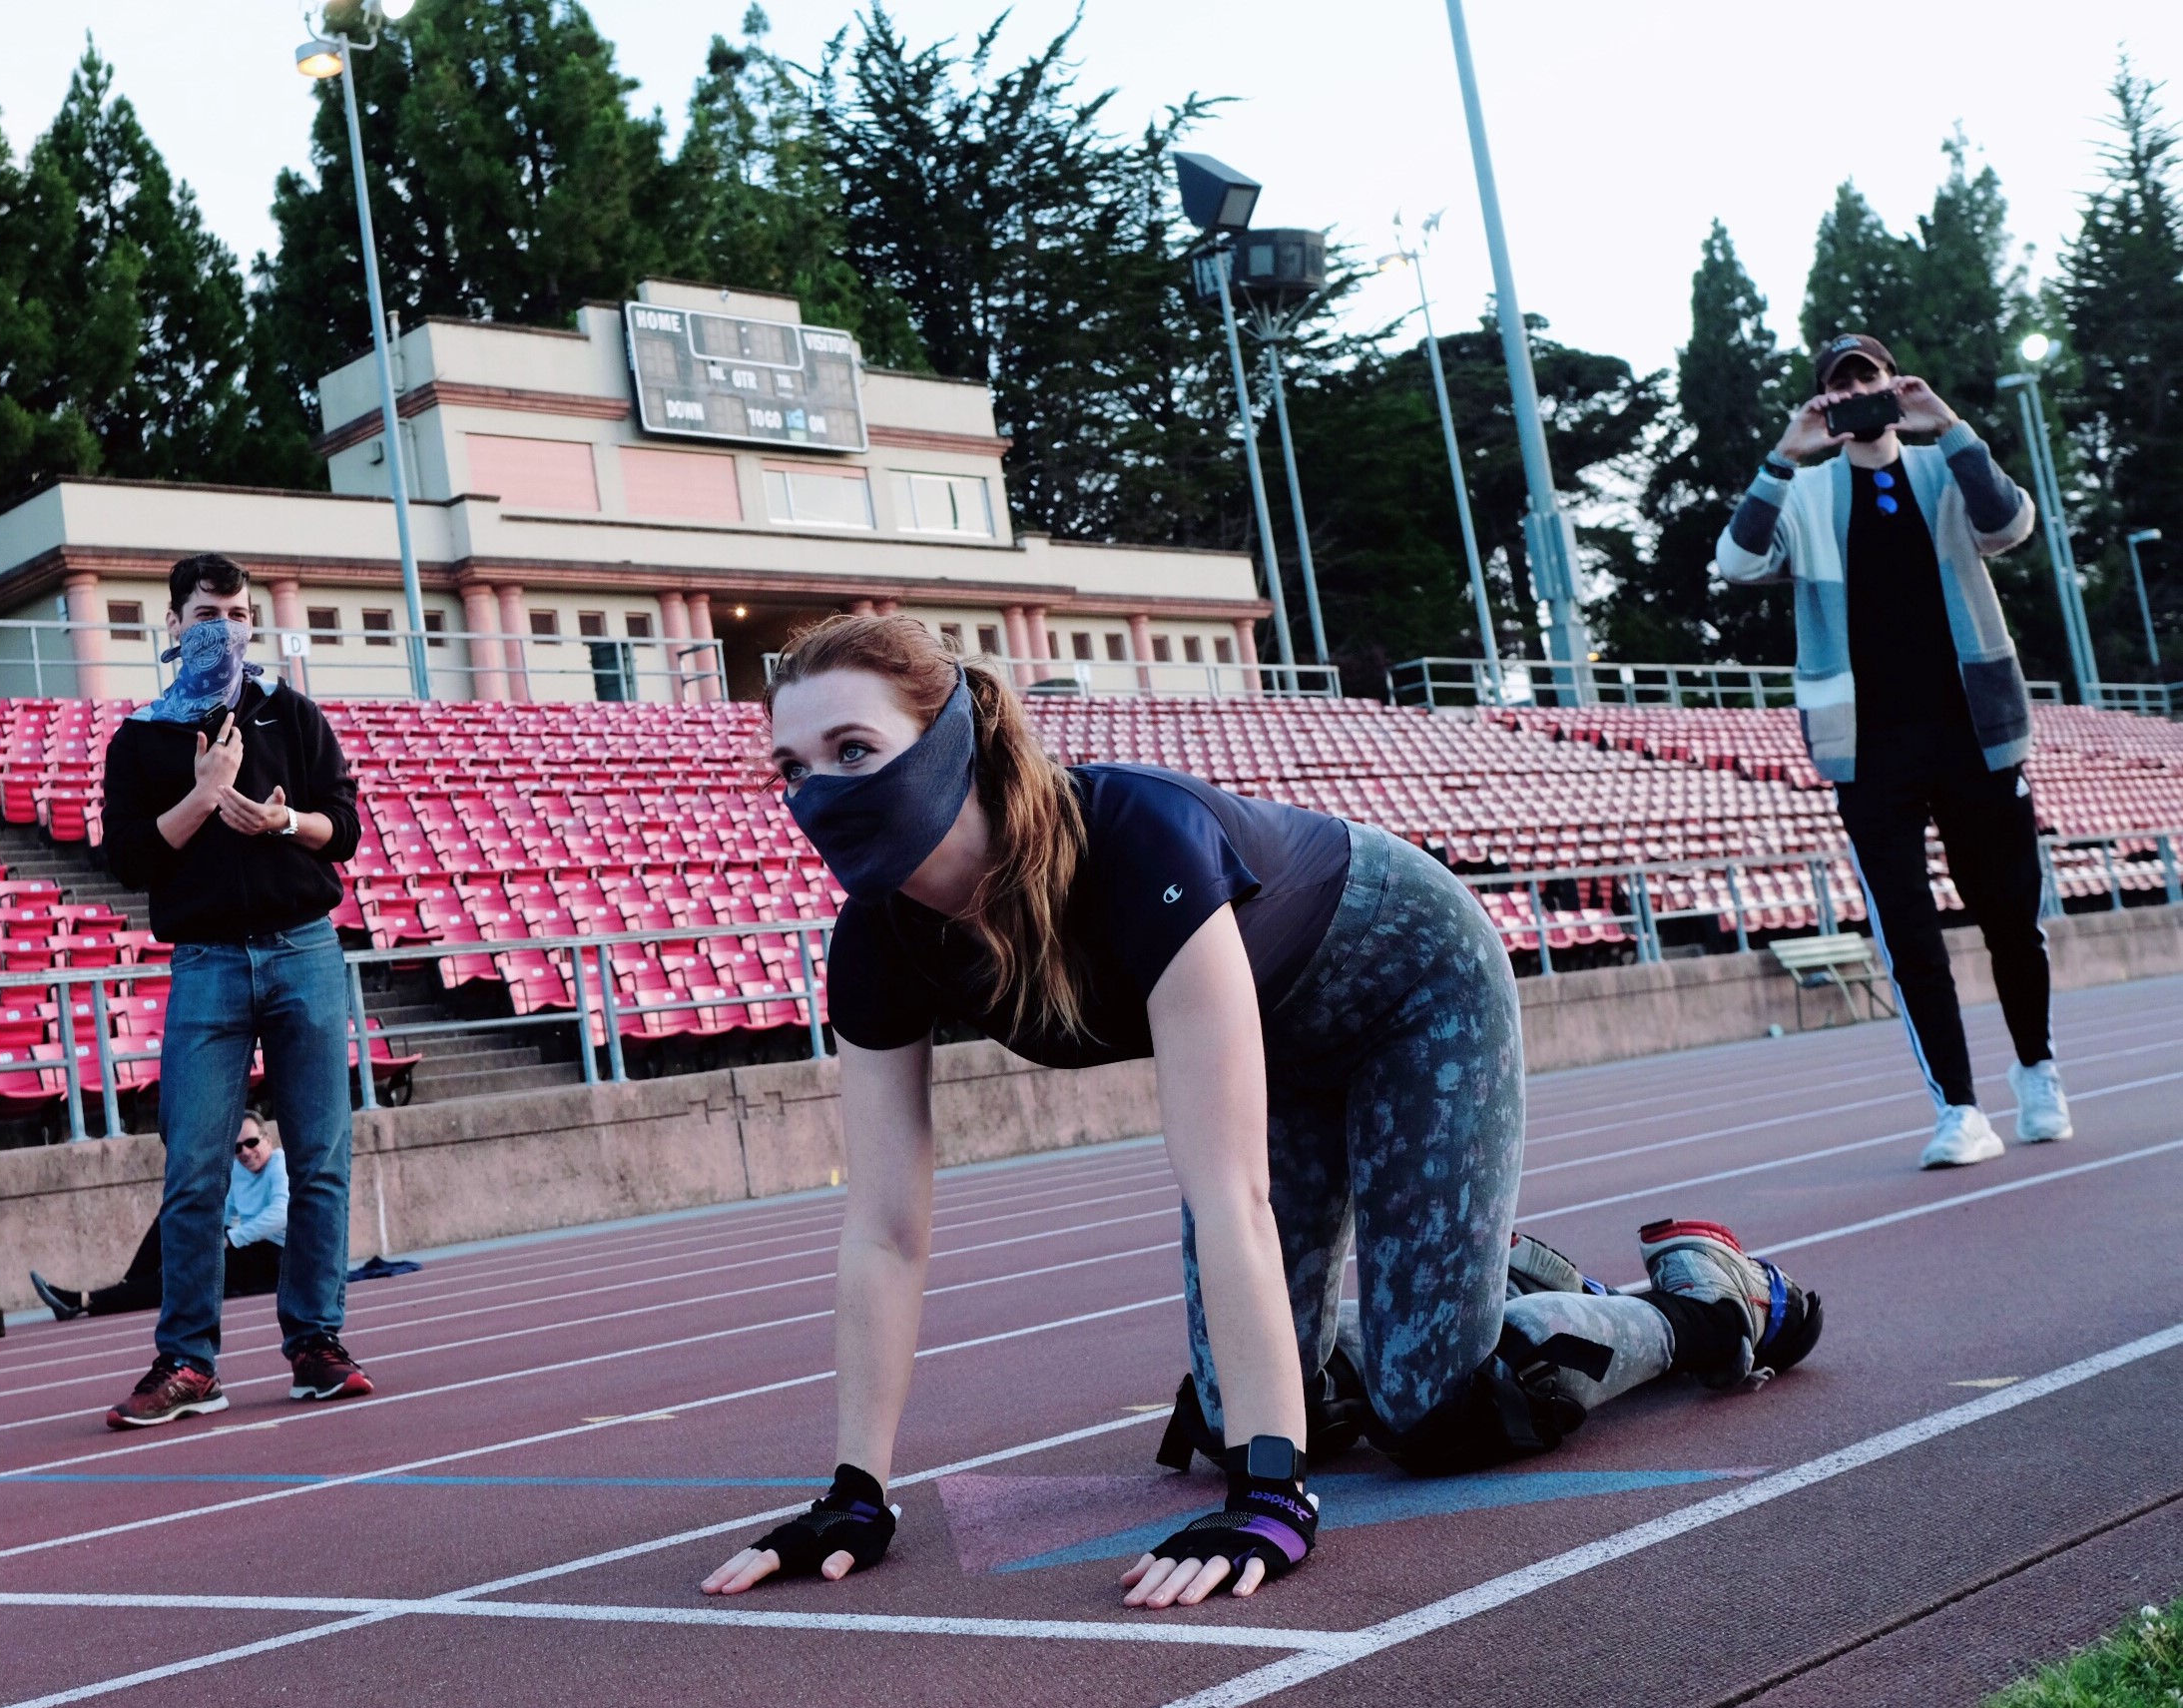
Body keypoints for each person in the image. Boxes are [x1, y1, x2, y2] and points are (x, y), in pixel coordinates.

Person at [700, 615, 1823, 1610]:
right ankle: (1477, 1266)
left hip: (1410, 989)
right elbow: (884, 1228)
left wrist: (1273, 1496)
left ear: (952, 740)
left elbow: (1225, 1184)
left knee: (1437, 1409)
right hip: (1272, 1045)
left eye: (854, 751)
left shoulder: (1134, 839)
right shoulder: (880, 943)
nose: (820, 792)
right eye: (794, 766)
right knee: (1242, 1410)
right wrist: (857, 1492)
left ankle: (1704, 1301)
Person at [1718, 332, 2069, 1169]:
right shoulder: (1805, 492)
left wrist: (1946, 424)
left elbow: (2011, 521)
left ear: (1893, 385)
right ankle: (1957, 1107)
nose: (1858, 395)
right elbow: (1736, 562)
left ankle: (2038, 1071)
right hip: (1869, 746)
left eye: (1868, 379)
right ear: (1825, 405)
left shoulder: (1942, 467)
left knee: (2010, 919)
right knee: (1909, 934)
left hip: (1974, 731)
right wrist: (1782, 454)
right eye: (1840, 388)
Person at [99, 552, 372, 1428]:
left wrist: (283, 821)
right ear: (176, 623)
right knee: (194, 1169)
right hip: (207, 961)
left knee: (322, 1159)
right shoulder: (142, 735)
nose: (230, 626)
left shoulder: (290, 712)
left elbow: (345, 832)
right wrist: (204, 795)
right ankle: (187, 1362)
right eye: (211, 612)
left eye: (242, 611)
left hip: (304, 949)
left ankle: (316, 1343)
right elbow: (130, 857)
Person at [32, 1115, 287, 1319]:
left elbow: (280, 1213)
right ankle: (126, 1284)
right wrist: (197, 1233)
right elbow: (224, 1212)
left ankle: (85, 1301)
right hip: (246, 1244)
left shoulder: (279, 1163)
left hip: (272, 1258)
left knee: (185, 1278)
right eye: (237, 1146)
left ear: (267, 1139)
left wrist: (231, 1238)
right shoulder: (239, 1168)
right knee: (173, 1219)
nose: (245, 1152)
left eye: (252, 1143)